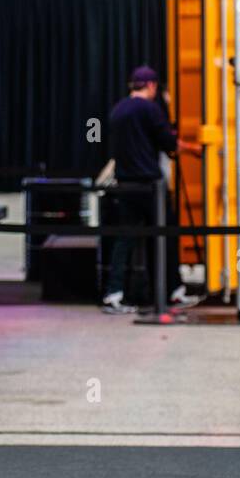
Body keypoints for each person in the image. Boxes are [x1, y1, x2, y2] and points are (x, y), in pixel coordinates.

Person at [101, 66, 190, 314]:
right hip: (150, 186)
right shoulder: (150, 109)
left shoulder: (117, 110)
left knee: (125, 240)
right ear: (151, 85)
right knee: (165, 236)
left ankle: (114, 294)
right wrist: (195, 149)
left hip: (125, 184)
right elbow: (169, 143)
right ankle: (172, 291)